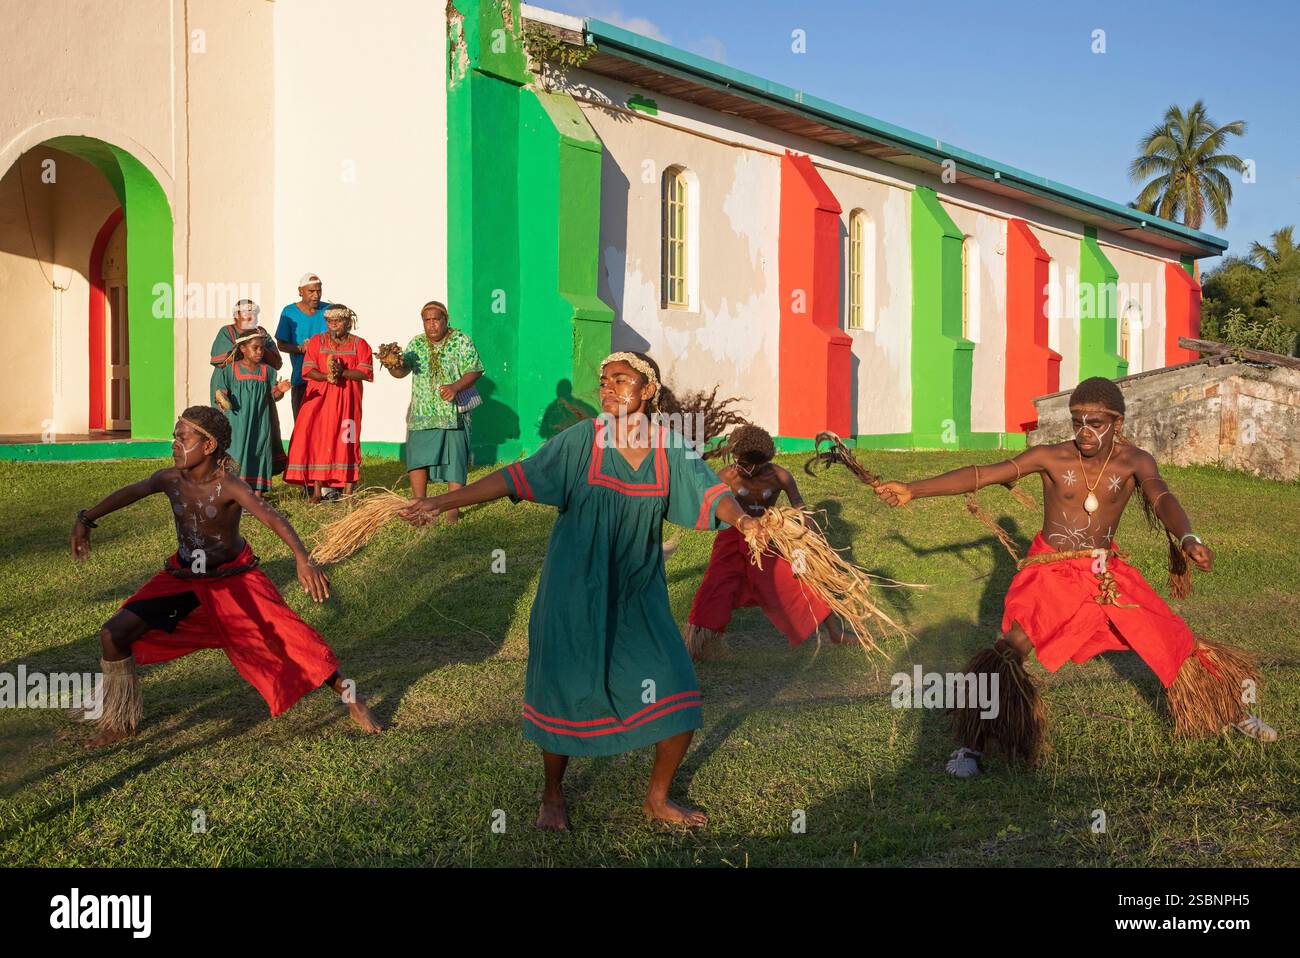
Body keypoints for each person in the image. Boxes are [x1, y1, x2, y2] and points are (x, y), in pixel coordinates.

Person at [398, 351, 764, 830]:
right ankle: (552, 795)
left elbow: (711, 492)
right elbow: (516, 476)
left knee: (677, 688)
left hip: (637, 592)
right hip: (573, 589)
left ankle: (657, 798)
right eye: (604, 380)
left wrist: (747, 523)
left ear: (648, 390)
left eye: (622, 380)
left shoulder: (669, 447)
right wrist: (442, 500)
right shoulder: (582, 441)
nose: (609, 388)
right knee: (567, 691)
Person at [874, 376, 1276, 779]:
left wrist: (1187, 535)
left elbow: (1162, 497)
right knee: (1009, 650)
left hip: (1105, 572)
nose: (1083, 432)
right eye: (1077, 421)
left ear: (1117, 423)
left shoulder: (1135, 461)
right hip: (1052, 569)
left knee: (1173, 637)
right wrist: (913, 489)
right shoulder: (1052, 457)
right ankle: (970, 745)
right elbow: (985, 473)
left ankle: (1230, 712)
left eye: (1095, 423)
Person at [69, 405, 383, 749]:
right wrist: (87, 519)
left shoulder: (230, 487)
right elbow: (133, 491)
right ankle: (119, 721)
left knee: (291, 641)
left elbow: (271, 517)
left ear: (208, 446)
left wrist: (301, 558)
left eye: (182, 437)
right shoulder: (169, 479)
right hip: (184, 578)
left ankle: (353, 698)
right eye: (175, 436)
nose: (174, 443)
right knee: (113, 635)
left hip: (233, 581)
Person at [684, 424, 845, 659]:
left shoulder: (779, 475)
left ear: (763, 461)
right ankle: (696, 645)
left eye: (747, 464)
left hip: (768, 537)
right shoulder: (727, 475)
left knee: (799, 580)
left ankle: (835, 632)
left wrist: (805, 533)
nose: (742, 468)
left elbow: (798, 504)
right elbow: (710, 503)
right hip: (732, 536)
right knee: (715, 585)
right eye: (738, 462)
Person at [378, 301, 483, 522]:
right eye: (427, 320)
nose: (432, 325)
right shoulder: (416, 343)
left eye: (436, 319)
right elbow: (402, 371)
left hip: (453, 412)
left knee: (456, 459)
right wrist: (392, 365)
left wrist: (455, 387)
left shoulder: (460, 340)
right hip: (422, 412)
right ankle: (419, 505)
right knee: (417, 459)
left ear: (446, 320)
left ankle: (453, 509)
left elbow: (475, 370)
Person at [283, 305, 373, 503]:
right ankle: (317, 491)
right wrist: (327, 376)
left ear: (349, 323)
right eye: (330, 322)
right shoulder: (317, 341)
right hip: (319, 402)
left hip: (347, 402)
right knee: (318, 442)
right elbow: (308, 370)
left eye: (338, 321)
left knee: (347, 442)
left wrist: (343, 373)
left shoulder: (360, 345)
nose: (333, 325)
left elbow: (364, 372)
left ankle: (348, 490)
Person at [212, 330, 292, 494]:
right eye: (255, 348)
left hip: (260, 422)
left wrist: (281, 390)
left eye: (262, 348)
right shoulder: (229, 370)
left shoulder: (268, 371)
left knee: (259, 451)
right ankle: (232, 492)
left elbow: (273, 396)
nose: (260, 352)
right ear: (242, 348)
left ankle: (257, 495)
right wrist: (222, 399)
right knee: (236, 452)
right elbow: (221, 393)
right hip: (237, 422)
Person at [275, 273, 330, 419]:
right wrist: (301, 348)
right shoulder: (289, 312)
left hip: (327, 380)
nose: (316, 295)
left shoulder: (329, 310)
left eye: (319, 291)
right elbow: (281, 344)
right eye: (311, 291)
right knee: (302, 427)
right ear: (300, 291)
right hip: (302, 379)